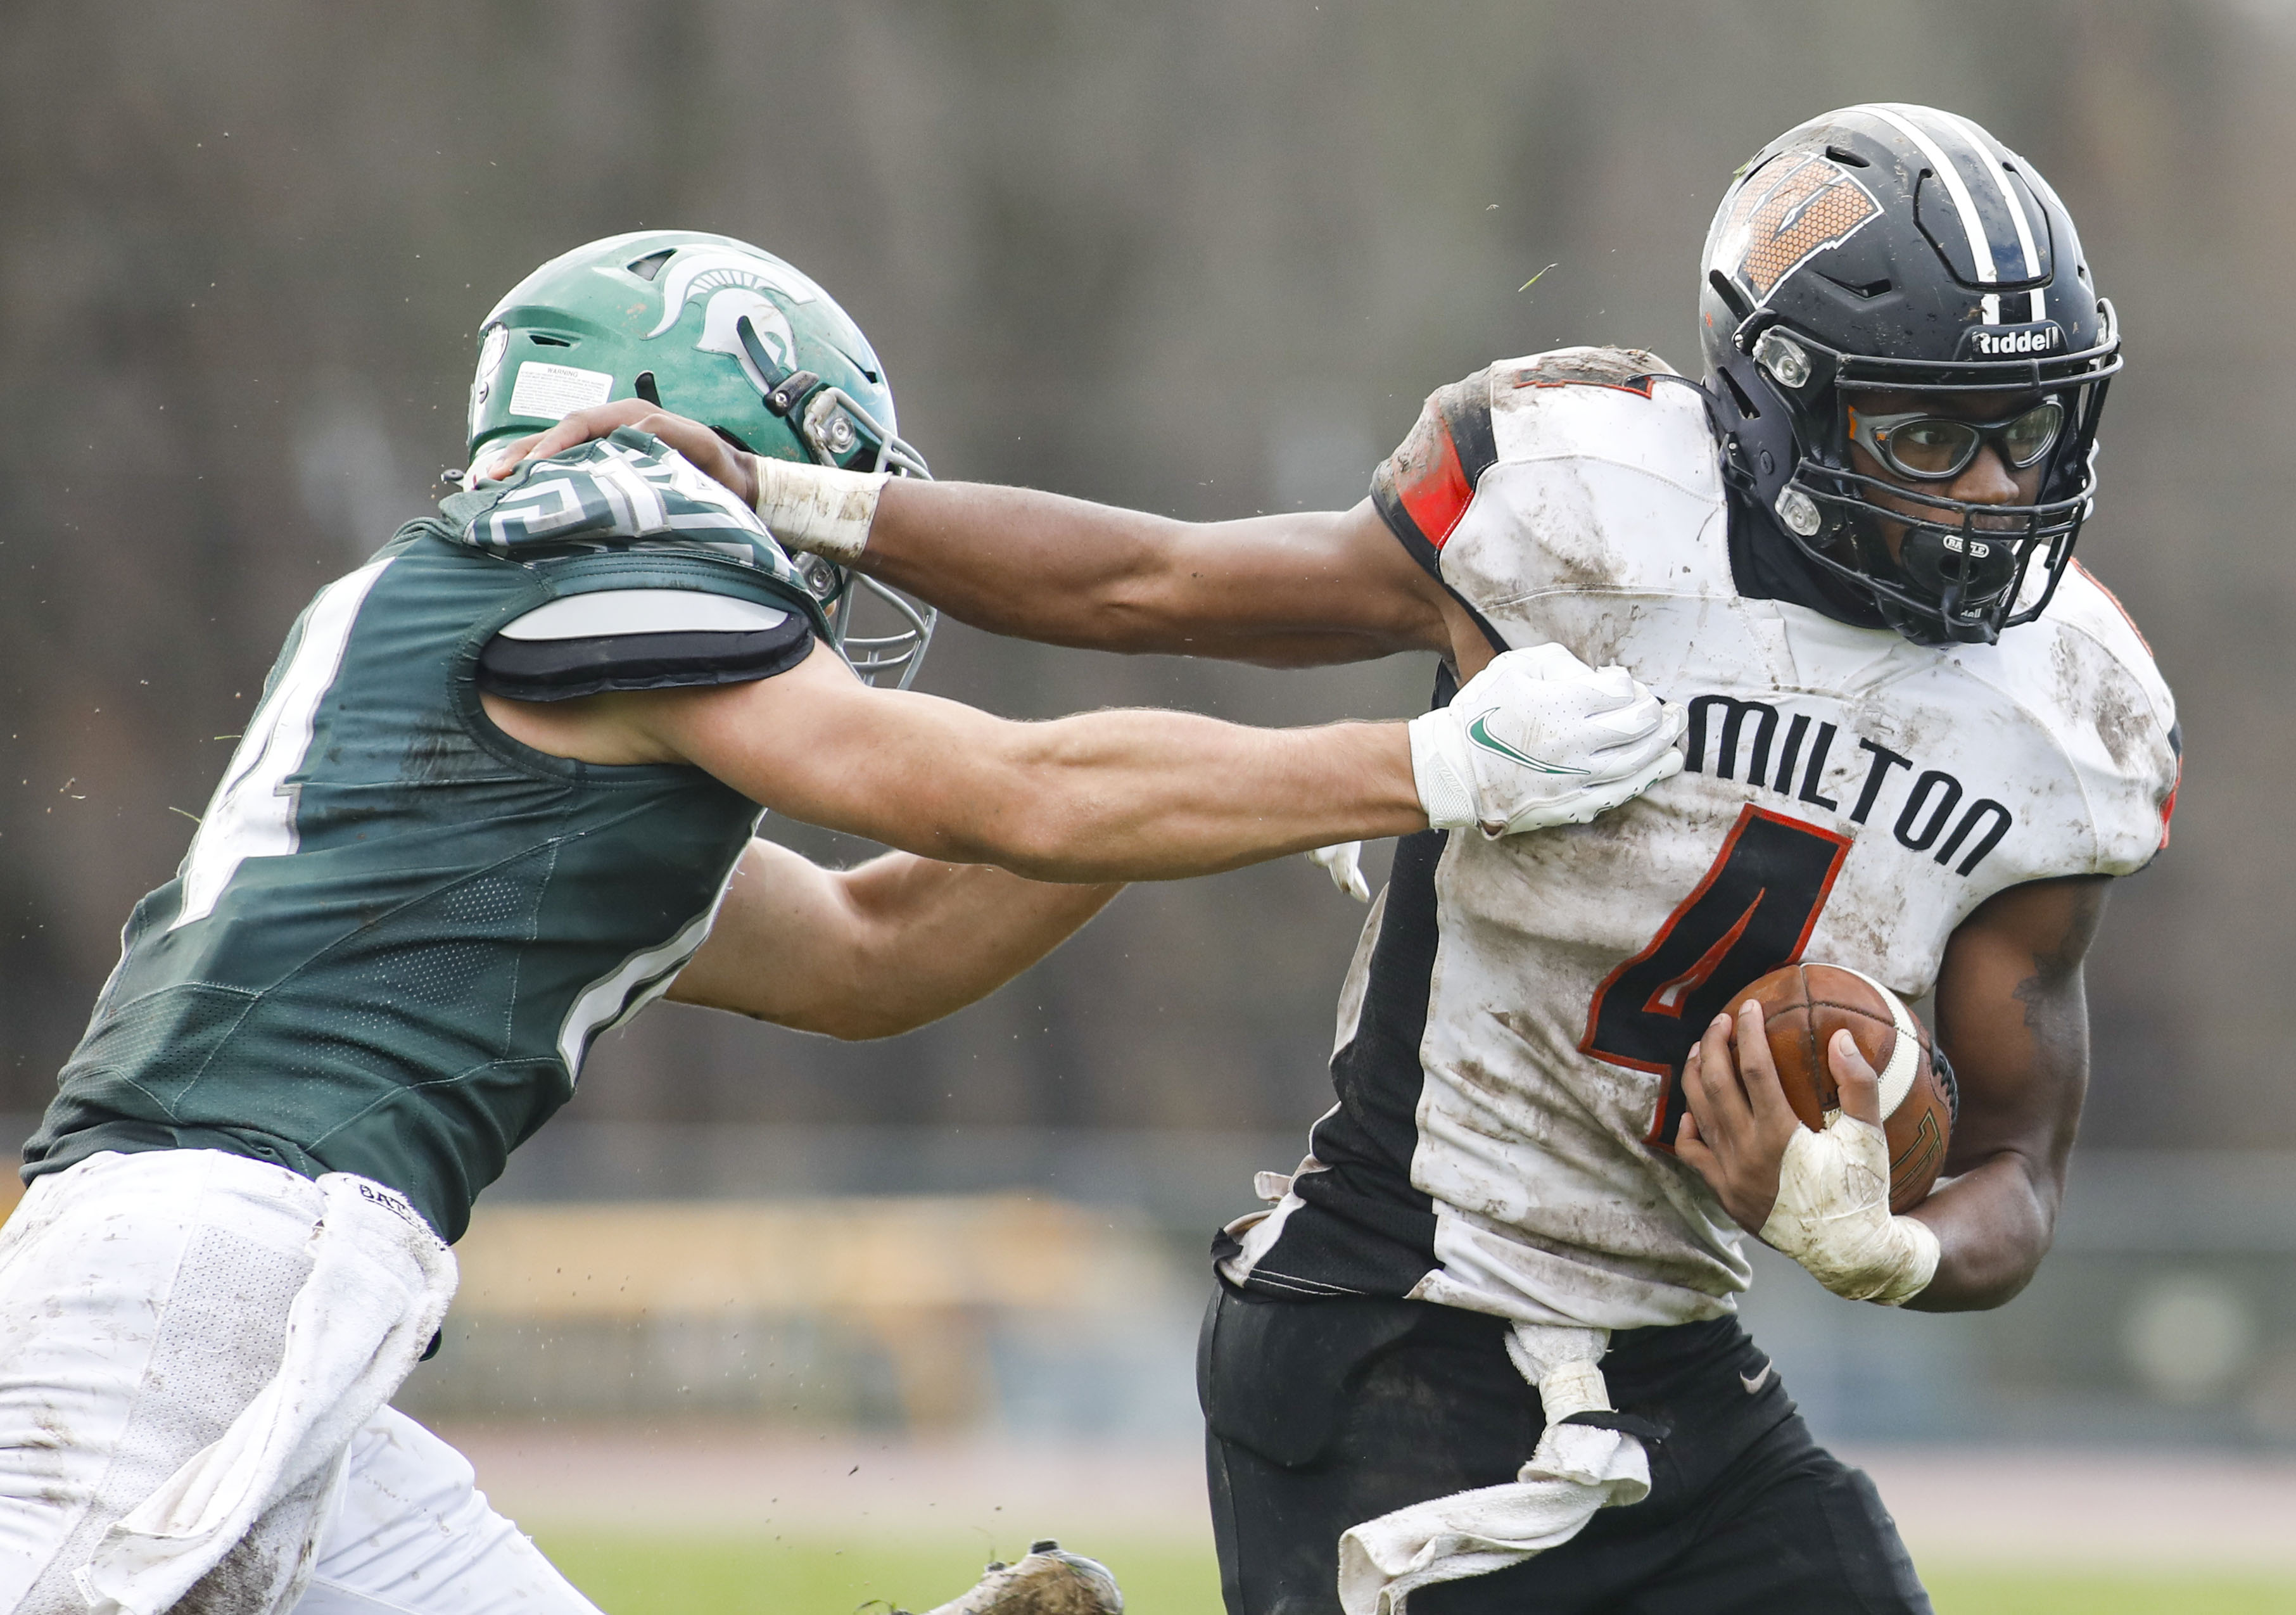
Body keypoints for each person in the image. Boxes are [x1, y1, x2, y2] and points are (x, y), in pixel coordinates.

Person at [506, 105, 2180, 1615]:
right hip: (1389, 1325)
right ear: (1774, 399)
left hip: (1674, 1372)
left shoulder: (2071, 717)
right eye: (1922, 438)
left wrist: (1887, 1248)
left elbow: (2018, 1165)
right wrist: (804, 502)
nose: (1990, 493)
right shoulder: (1579, 507)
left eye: (2025, 432)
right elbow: (1147, 585)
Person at [0, 231, 1684, 1615]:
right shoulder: (594, 524)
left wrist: (1246, 791)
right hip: (208, 1274)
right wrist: (1414, 762)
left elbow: (875, 949)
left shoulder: (484, 679)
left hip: (235, 1278)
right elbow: (985, 793)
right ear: (686, 414)